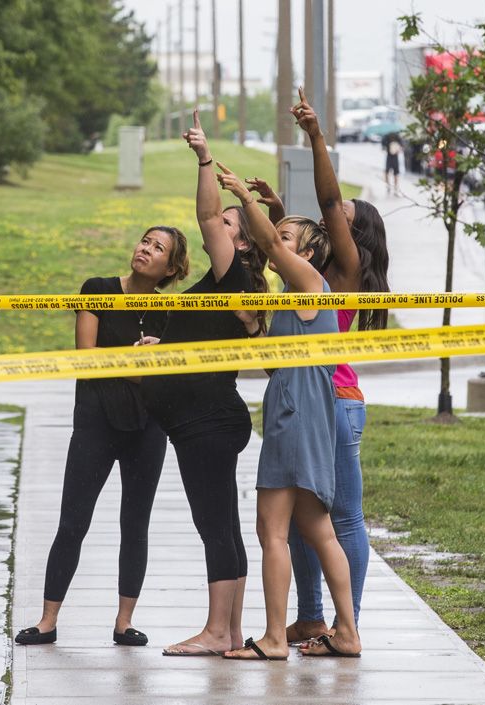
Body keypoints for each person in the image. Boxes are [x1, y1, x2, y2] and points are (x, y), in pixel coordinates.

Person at [216, 152, 363, 660]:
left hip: (298, 413)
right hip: (300, 407)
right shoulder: (296, 297)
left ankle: (275, 638)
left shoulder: (311, 284)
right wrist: (253, 330)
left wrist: (242, 197)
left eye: (286, 238)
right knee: (317, 529)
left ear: (308, 253)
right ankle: (346, 633)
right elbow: (277, 367)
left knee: (272, 530)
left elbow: (271, 245)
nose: (273, 243)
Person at [15, 226, 190, 647]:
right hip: (96, 423)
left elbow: (170, 377)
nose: (145, 249)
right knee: (73, 522)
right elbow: (86, 357)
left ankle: (124, 622)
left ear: (170, 268)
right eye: (145, 241)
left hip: (147, 429)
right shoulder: (98, 289)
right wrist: (138, 364)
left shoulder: (170, 313)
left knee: (136, 524)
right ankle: (47, 621)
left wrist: (141, 366)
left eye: (158, 248)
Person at [141, 110, 269, 657]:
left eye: (231, 227)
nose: (221, 227)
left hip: (207, 421)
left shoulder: (231, 274)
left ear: (242, 245)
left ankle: (217, 632)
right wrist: (164, 346)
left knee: (214, 524)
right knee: (222, 524)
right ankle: (230, 631)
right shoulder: (227, 284)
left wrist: (204, 158)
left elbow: (207, 215)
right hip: (207, 418)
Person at [285, 90, 390, 646]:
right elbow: (293, 245)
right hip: (307, 402)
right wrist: (272, 211)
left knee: (344, 516)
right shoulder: (318, 276)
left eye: (343, 215)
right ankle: (311, 617)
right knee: (301, 517)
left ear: (356, 235)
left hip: (337, 403)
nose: (333, 214)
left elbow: (326, 199)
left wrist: (316, 137)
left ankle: (349, 626)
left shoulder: (346, 272)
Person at [382, 131, 403, 196]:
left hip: (394, 157)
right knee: (387, 171)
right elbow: (383, 145)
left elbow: (401, 146)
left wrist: (398, 148)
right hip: (389, 156)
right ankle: (389, 185)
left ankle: (395, 187)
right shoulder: (387, 137)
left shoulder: (397, 137)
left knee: (395, 173)